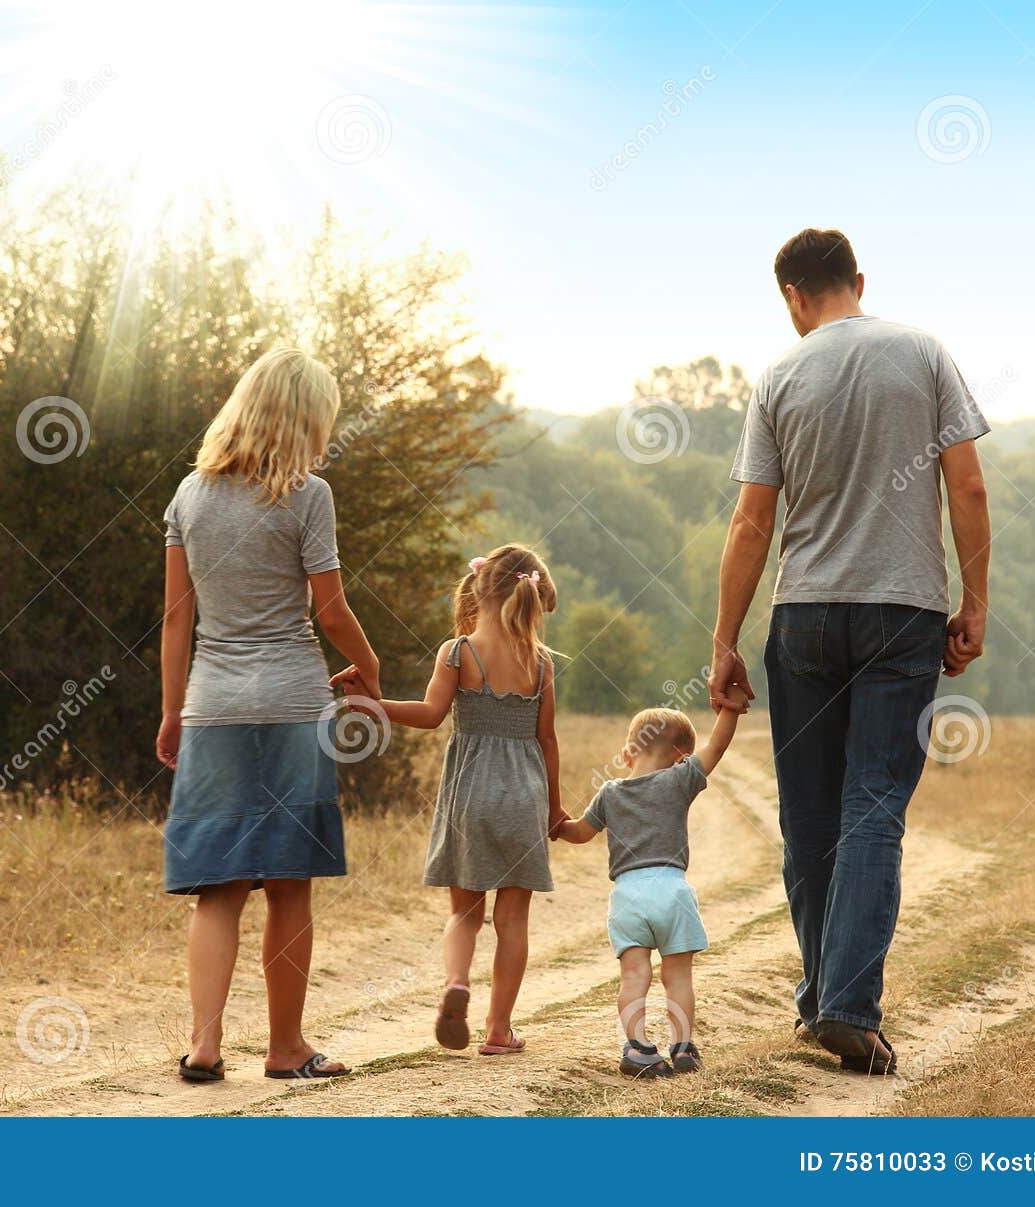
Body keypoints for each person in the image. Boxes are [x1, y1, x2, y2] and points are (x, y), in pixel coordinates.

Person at [709, 228, 992, 1075]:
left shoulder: (779, 376)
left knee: (808, 815)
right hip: (903, 615)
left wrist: (724, 639)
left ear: (793, 296)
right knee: (874, 807)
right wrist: (975, 601)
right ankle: (846, 1006)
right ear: (858, 280)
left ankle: (818, 1001)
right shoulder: (925, 354)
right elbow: (968, 484)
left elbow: (751, 522)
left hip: (803, 615)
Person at [157, 347, 380, 1083]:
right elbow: (331, 611)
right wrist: (372, 665)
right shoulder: (309, 495)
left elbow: (176, 620)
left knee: (217, 888)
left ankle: (204, 1047)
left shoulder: (189, 495)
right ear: (306, 418)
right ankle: (286, 1049)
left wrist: (172, 711)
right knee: (288, 884)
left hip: (212, 709)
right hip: (291, 706)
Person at [339, 545, 561, 1056]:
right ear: (528, 601)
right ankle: (498, 1030)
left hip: (469, 795)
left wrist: (373, 705)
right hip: (524, 798)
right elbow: (547, 738)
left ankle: (456, 982)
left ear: (478, 591)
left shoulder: (457, 652)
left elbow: (430, 713)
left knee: (464, 913)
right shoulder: (540, 662)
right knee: (513, 921)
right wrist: (553, 809)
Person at [557, 691, 748, 1078]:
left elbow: (578, 833)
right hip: (672, 891)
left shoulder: (609, 792)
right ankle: (682, 1047)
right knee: (677, 976)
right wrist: (730, 707)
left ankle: (638, 1048)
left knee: (633, 975)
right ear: (681, 758)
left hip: (628, 896)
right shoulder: (680, 779)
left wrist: (553, 821)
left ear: (628, 752)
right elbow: (717, 745)